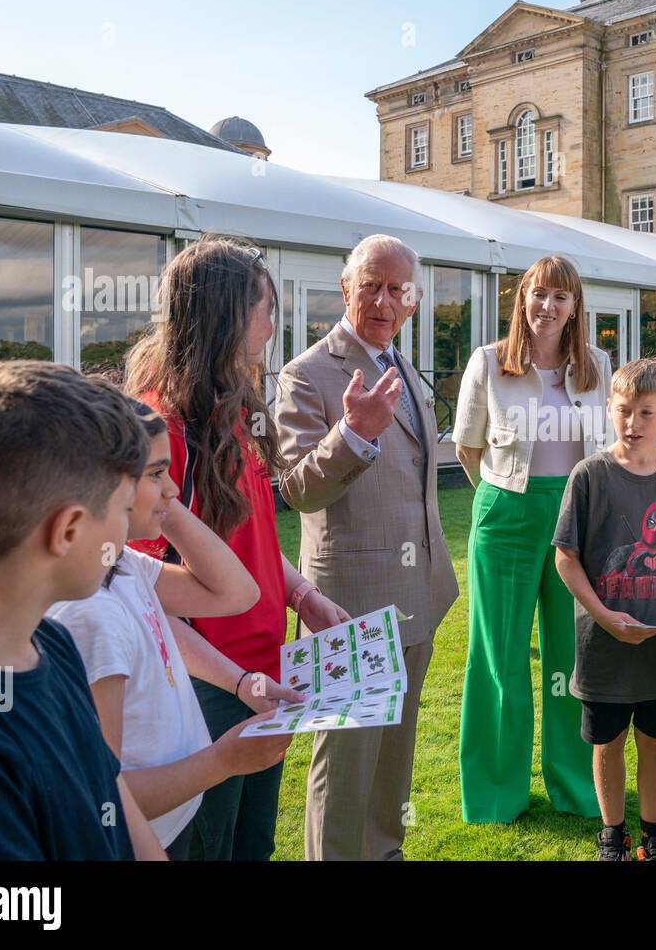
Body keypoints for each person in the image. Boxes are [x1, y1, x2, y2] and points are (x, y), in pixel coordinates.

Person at [126, 234, 350, 860]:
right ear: (224, 312)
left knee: (251, 848)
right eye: (266, 306)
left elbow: (244, 544)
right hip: (206, 689)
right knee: (203, 848)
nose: (274, 323)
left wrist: (301, 594)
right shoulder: (163, 433)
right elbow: (145, 597)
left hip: (262, 679)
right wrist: (239, 679)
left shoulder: (238, 416)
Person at [0, 361, 163, 859]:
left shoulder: (50, 643)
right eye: (123, 506)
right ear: (68, 530)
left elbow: (108, 792)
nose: (126, 527)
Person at [49, 401, 303, 858]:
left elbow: (235, 591)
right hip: (144, 834)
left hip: (171, 822)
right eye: (156, 473)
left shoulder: (122, 564)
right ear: (101, 482)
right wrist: (223, 761)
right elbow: (104, 797)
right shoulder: (91, 613)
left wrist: (158, 505)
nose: (173, 489)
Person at [276, 233, 458, 860]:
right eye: (371, 287)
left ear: (412, 301)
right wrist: (351, 433)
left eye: (396, 290)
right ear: (345, 289)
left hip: (417, 596)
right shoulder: (305, 374)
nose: (383, 301)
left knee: (392, 765)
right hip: (348, 605)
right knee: (346, 770)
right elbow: (297, 489)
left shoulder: (402, 365)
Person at [453, 254, 608, 823]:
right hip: (505, 515)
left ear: (574, 308)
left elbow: (607, 449)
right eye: (538, 294)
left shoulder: (597, 364)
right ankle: (497, 794)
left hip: (575, 521)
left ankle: (576, 786)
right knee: (499, 657)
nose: (547, 306)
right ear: (523, 299)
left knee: (573, 659)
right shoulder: (490, 363)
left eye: (560, 297)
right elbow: (468, 447)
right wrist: (507, 499)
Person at [553, 358, 656, 860]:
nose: (633, 423)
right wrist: (604, 616)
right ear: (609, 409)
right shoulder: (589, 475)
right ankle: (612, 836)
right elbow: (566, 557)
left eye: (646, 413)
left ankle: (653, 837)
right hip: (604, 644)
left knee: (655, 740)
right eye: (624, 411)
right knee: (607, 742)